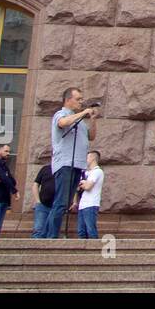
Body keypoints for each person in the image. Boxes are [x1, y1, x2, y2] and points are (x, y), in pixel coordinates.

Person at [47, 87, 98, 238]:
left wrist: (93, 120)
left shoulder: (79, 121)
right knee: (60, 202)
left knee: (65, 203)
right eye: (78, 99)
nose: (81, 102)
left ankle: (53, 234)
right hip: (65, 163)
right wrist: (83, 113)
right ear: (68, 100)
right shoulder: (61, 114)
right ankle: (51, 236)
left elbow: (91, 136)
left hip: (77, 164)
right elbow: (62, 123)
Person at [77, 150, 104, 239]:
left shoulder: (97, 171)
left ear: (92, 158)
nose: (86, 160)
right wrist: (83, 182)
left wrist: (84, 183)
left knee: (91, 230)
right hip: (82, 204)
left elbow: (88, 186)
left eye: (87, 157)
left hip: (91, 204)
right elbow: (78, 186)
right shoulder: (87, 173)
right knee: (81, 231)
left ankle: (94, 250)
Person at [30, 164, 57, 238]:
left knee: (52, 232)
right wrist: (38, 201)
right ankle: (35, 248)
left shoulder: (64, 170)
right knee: (38, 230)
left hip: (56, 207)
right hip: (43, 205)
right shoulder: (45, 168)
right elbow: (35, 185)